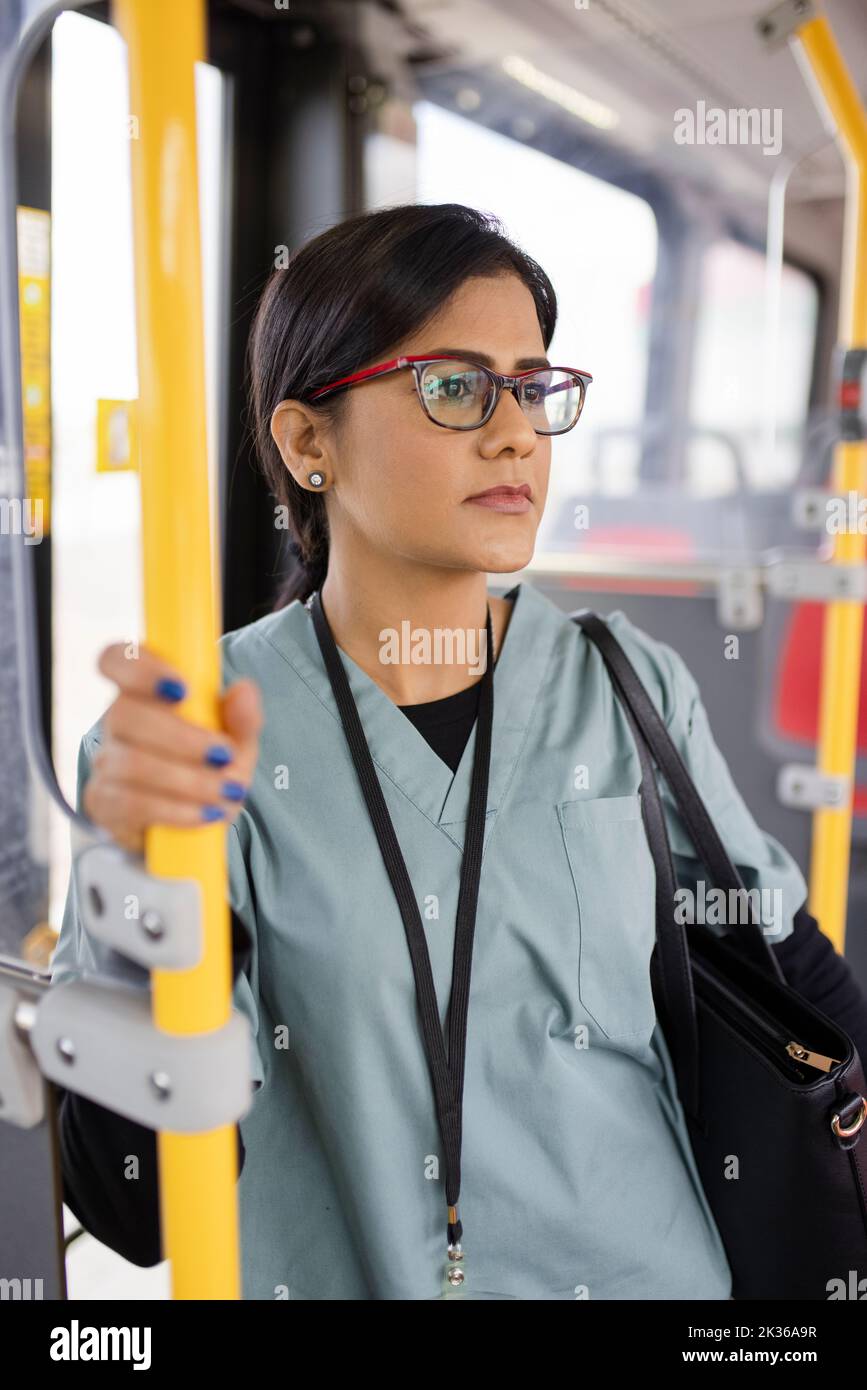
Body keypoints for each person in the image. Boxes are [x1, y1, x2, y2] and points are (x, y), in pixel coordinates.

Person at [51, 202, 867, 1300]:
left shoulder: (624, 688)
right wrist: (130, 883)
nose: (516, 432)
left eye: (532, 387)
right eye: (454, 386)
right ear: (308, 444)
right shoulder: (196, 746)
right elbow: (134, 1209)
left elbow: (795, 975)